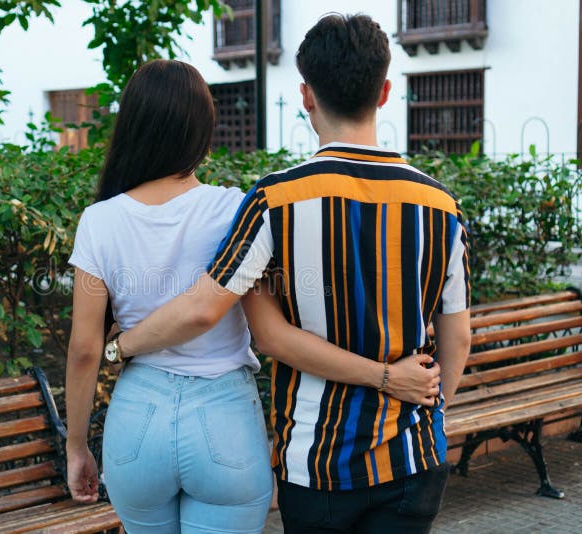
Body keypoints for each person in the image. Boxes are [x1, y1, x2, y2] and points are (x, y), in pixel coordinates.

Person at [111, 14, 471, 534]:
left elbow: (217, 314)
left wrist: (119, 347)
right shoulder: (441, 205)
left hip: (314, 462)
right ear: (386, 91)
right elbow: (457, 338)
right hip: (412, 458)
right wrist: (426, 417)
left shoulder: (275, 200)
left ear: (305, 95)